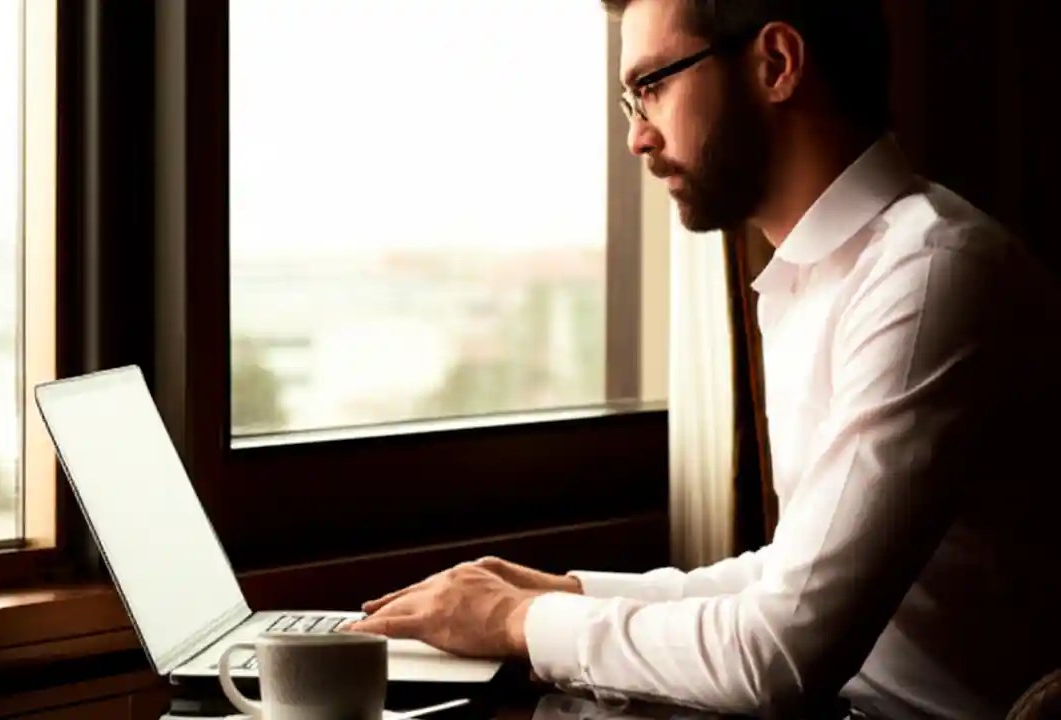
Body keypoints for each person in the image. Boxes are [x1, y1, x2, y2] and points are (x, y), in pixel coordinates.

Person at [342, 1, 1061, 718]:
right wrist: (564, 594)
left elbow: (776, 653)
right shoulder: (816, 278)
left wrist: (512, 621)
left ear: (776, 64)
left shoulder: (929, 276)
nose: (636, 137)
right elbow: (792, 578)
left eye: (652, 85)